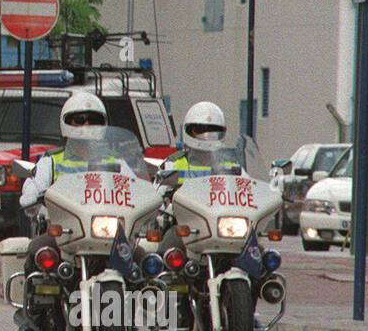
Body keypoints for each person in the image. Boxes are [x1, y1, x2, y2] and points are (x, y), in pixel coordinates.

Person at [20, 92, 138, 267]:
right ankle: (32, 294)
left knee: (144, 259)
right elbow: (33, 188)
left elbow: (137, 190)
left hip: (108, 231)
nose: (87, 125)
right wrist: (32, 196)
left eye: (93, 119)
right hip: (63, 233)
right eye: (79, 119)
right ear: (65, 123)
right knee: (38, 250)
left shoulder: (117, 163)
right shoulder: (51, 162)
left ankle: (147, 293)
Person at [166, 101, 230, 180]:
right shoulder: (173, 164)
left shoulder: (230, 166)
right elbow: (161, 188)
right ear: (189, 130)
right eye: (201, 130)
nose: (208, 135)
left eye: (214, 131)